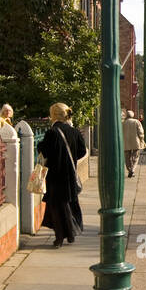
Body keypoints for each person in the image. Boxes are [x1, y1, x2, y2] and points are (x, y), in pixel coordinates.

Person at [38, 102, 87, 247]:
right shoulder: (74, 131)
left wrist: (40, 146)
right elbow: (82, 151)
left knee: (57, 207)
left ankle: (60, 236)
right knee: (69, 203)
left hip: (55, 175)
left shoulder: (52, 132)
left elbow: (45, 152)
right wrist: (71, 159)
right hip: (70, 174)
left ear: (53, 115)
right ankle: (71, 233)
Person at [123, 109, 145, 177]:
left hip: (126, 143)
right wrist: (142, 139)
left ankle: (129, 169)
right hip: (136, 142)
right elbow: (141, 132)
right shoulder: (136, 122)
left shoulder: (123, 123)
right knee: (135, 157)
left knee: (127, 158)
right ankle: (132, 170)